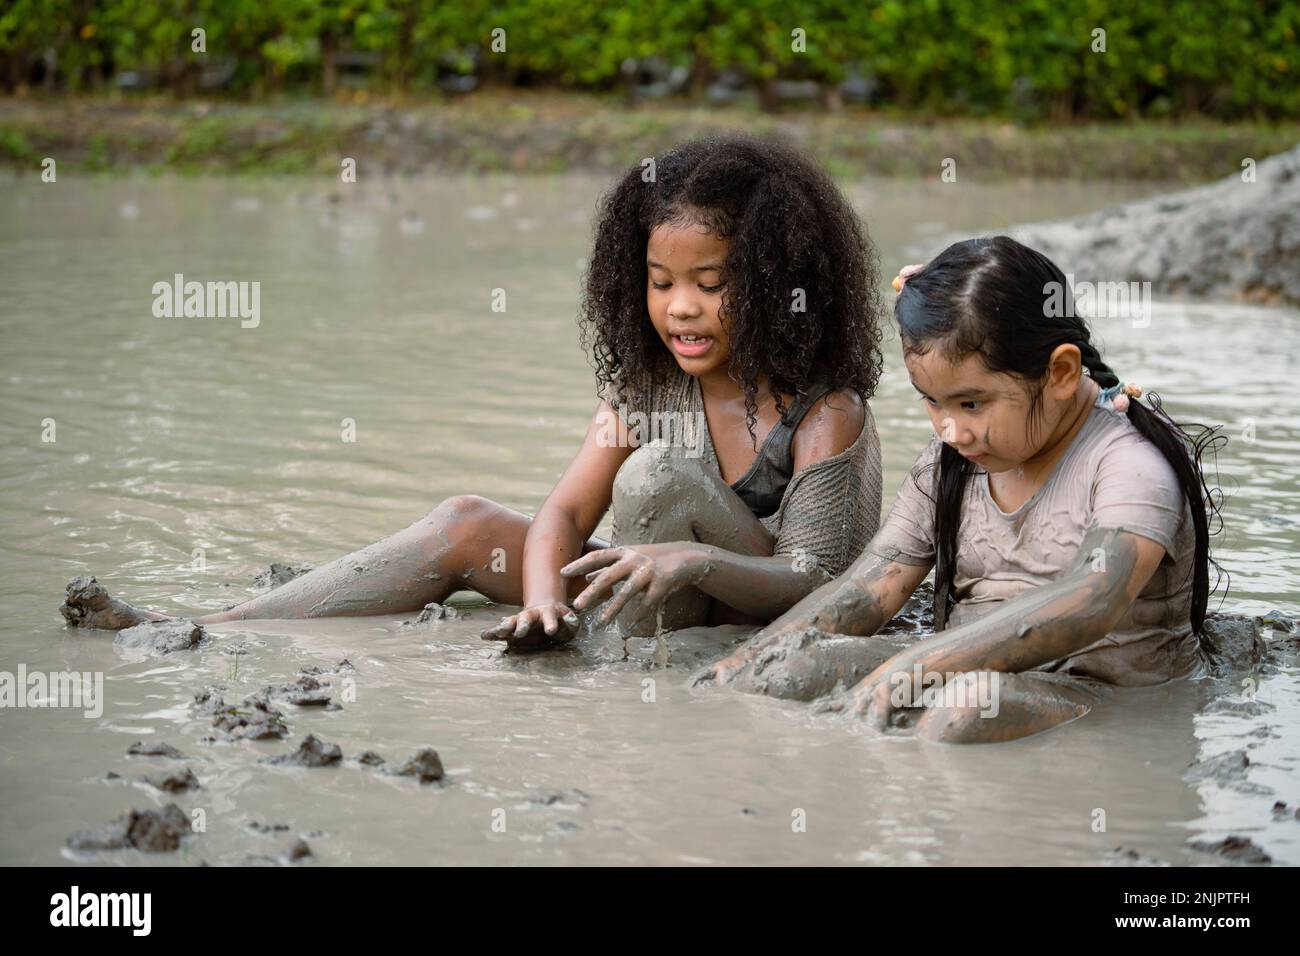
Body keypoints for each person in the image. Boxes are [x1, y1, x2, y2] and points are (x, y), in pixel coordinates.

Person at [60, 135, 887, 651]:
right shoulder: (649, 385)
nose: (679, 307)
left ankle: (610, 657)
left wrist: (693, 559)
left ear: (778, 284)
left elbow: (821, 582)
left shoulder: (826, 412)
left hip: (731, 613)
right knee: (467, 522)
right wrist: (539, 605)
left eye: (711, 284)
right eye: (660, 281)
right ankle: (216, 625)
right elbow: (563, 517)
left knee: (658, 474)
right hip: (631, 588)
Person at [696, 235, 1222, 742]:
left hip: (1105, 702)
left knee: (966, 707)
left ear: (1061, 372)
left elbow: (1091, 600)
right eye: (932, 401)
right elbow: (871, 589)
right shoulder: (955, 455)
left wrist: (921, 662)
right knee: (789, 667)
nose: (950, 431)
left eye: (972, 404)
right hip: (958, 667)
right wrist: (751, 657)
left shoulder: (1130, 463)